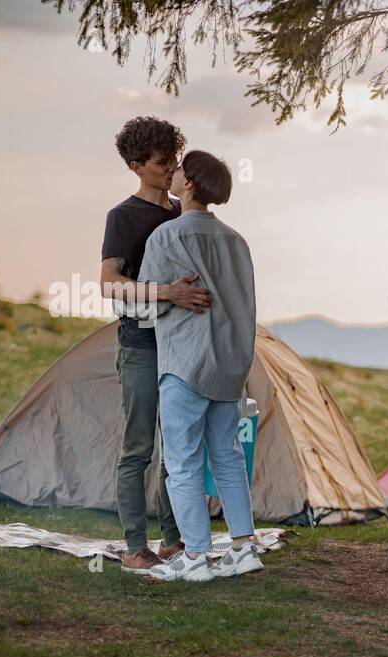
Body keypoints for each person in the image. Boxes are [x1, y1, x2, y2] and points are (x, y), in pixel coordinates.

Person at [137, 149, 263, 582]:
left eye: (178, 172)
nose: (171, 176)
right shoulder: (237, 242)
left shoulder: (167, 238)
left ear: (189, 183)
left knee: (183, 461)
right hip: (229, 366)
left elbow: (144, 307)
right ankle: (244, 547)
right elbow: (246, 308)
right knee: (227, 458)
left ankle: (195, 557)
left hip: (186, 362)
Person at [100, 116, 212, 574]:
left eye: (174, 162)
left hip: (182, 345)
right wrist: (167, 292)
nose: (172, 170)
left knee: (180, 448)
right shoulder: (122, 217)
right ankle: (134, 548)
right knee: (138, 449)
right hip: (141, 346)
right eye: (163, 163)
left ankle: (173, 541)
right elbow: (109, 284)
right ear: (135, 166)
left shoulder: (181, 212)